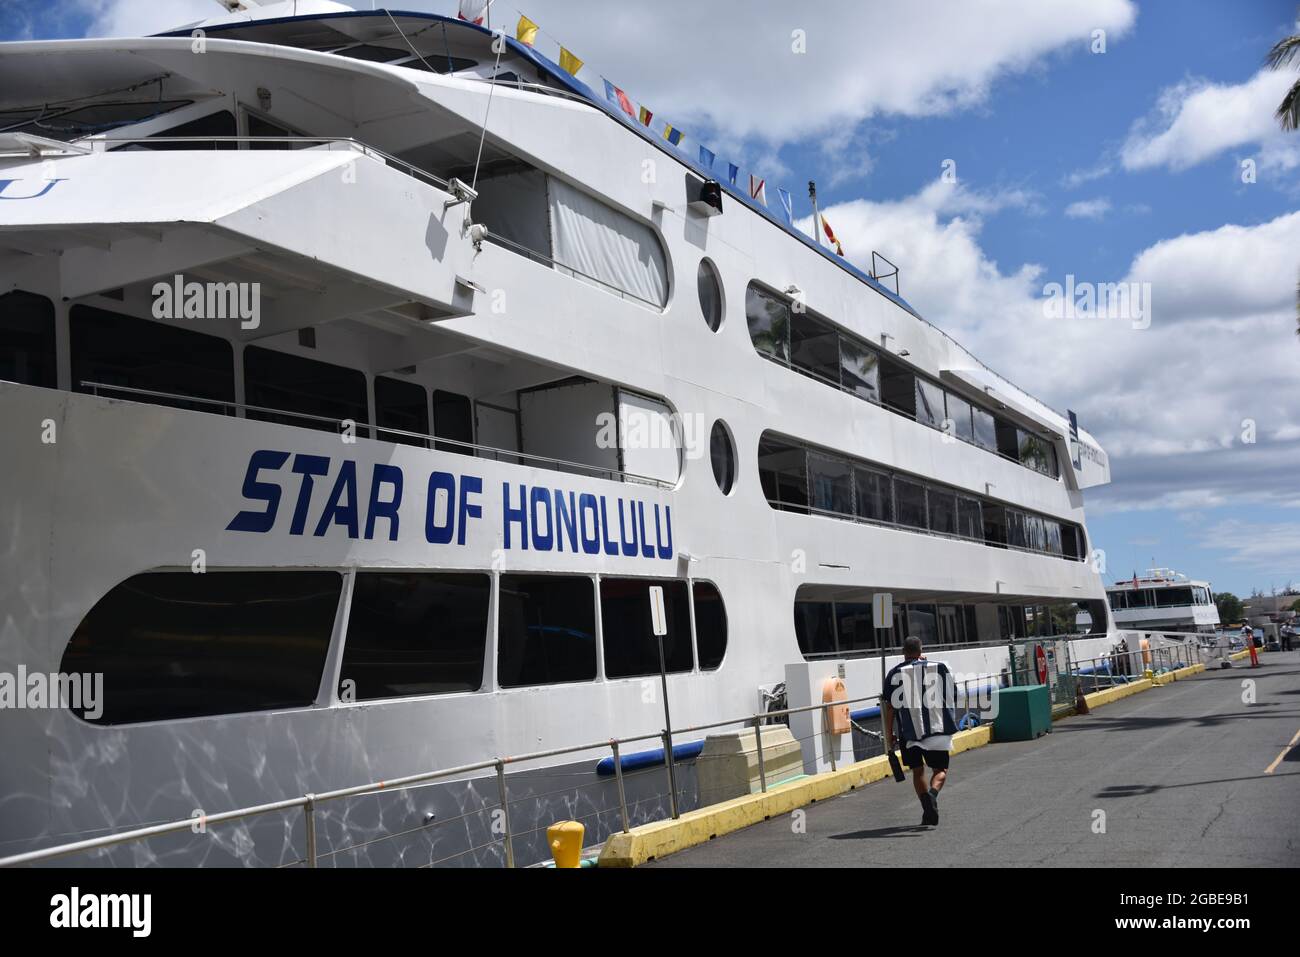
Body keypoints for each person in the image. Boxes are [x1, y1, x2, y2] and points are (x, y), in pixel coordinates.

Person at [882, 636, 959, 827]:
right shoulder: (940, 667)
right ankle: (932, 797)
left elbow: (890, 708)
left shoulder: (894, 673)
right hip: (938, 729)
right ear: (921, 649)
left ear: (903, 652)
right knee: (940, 770)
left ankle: (927, 807)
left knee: (918, 772)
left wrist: (889, 733)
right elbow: (952, 695)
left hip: (909, 733)